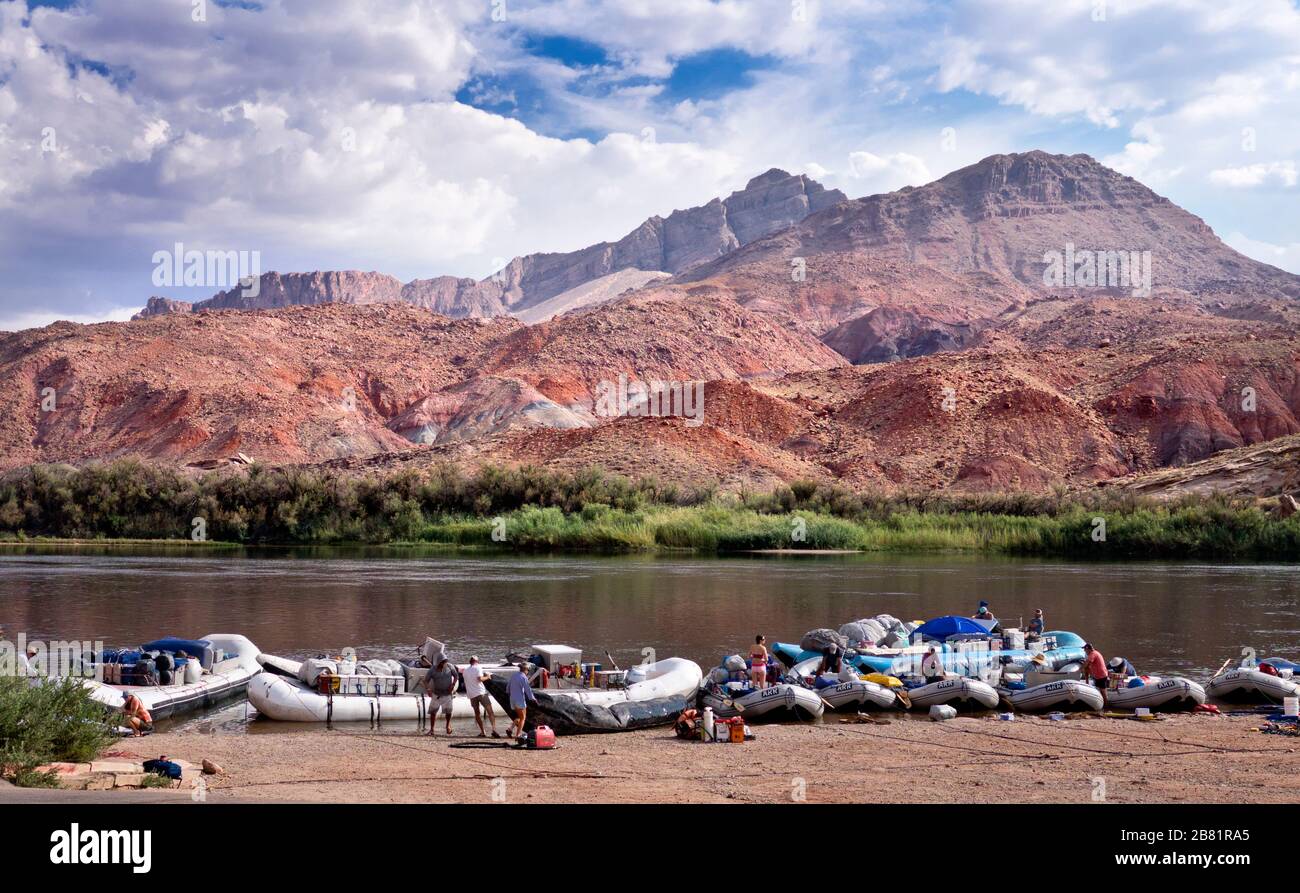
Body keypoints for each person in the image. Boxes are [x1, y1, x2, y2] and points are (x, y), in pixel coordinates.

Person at [462, 655, 500, 738]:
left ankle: (483, 732)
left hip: (471, 695)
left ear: (470, 662)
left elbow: (465, 683)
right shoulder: (478, 667)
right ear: (477, 661)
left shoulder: (465, 671)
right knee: (490, 711)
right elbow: (480, 679)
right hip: (481, 693)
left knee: (477, 713)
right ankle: (494, 730)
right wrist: (487, 677)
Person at [423, 657, 461, 737]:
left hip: (448, 694)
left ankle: (447, 726)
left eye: (446, 662)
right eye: (444, 662)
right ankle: (432, 729)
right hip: (436, 694)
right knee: (433, 712)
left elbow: (456, 676)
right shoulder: (433, 669)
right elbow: (426, 680)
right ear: (439, 662)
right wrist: (428, 689)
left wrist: (453, 684)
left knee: (448, 711)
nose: (445, 664)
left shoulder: (450, 666)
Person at [506, 661, 538, 739]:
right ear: (526, 669)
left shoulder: (513, 675)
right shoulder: (524, 677)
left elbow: (508, 688)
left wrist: (509, 693)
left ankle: (510, 729)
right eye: (528, 670)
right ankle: (518, 735)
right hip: (519, 700)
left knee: (519, 716)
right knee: (523, 718)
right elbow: (528, 690)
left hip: (512, 700)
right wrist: (533, 699)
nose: (527, 672)